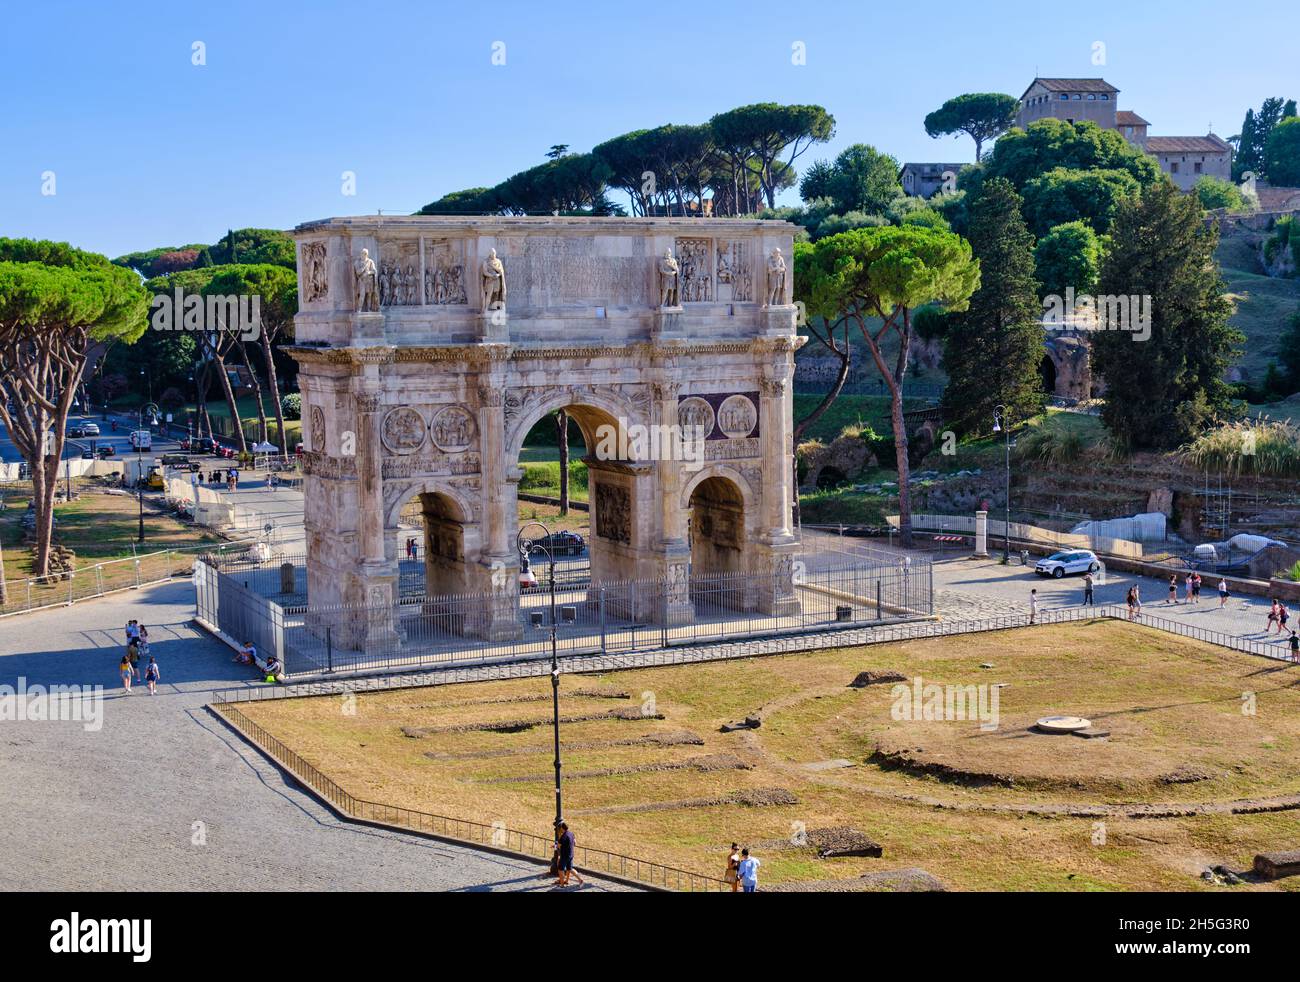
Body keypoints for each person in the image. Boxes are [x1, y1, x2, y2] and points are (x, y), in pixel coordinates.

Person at [556, 821, 584, 888]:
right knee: (570, 869)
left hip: (564, 855)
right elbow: (575, 843)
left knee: (560, 869)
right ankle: (580, 880)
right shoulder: (571, 833)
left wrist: (556, 845)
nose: (559, 830)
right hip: (571, 854)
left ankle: (562, 885)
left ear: (562, 828)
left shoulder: (563, 837)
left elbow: (558, 846)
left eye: (560, 828)